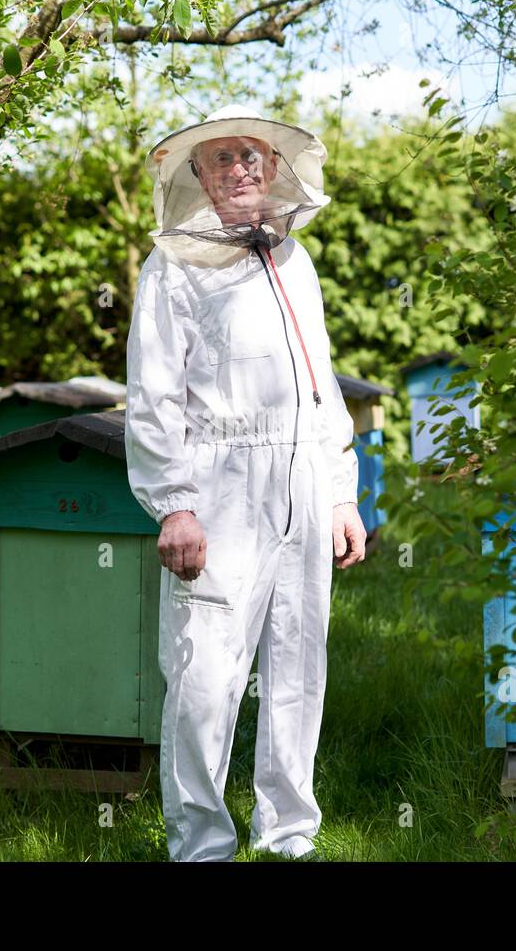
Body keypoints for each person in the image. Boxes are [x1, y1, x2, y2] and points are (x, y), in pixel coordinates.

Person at [124, 105, 368, 862]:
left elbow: (318, 385)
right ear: (198, 175)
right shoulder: (173, 266)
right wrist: (176, 504)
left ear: (274, 167)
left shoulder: (295, 259)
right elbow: (153, 394)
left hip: (300, 477)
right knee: (205, 671)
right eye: (222, 158)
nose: (241, 168)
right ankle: (200, 846)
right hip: (218, 485)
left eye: (252, 155)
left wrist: (339, 490)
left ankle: (289, 837)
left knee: (299, 663)